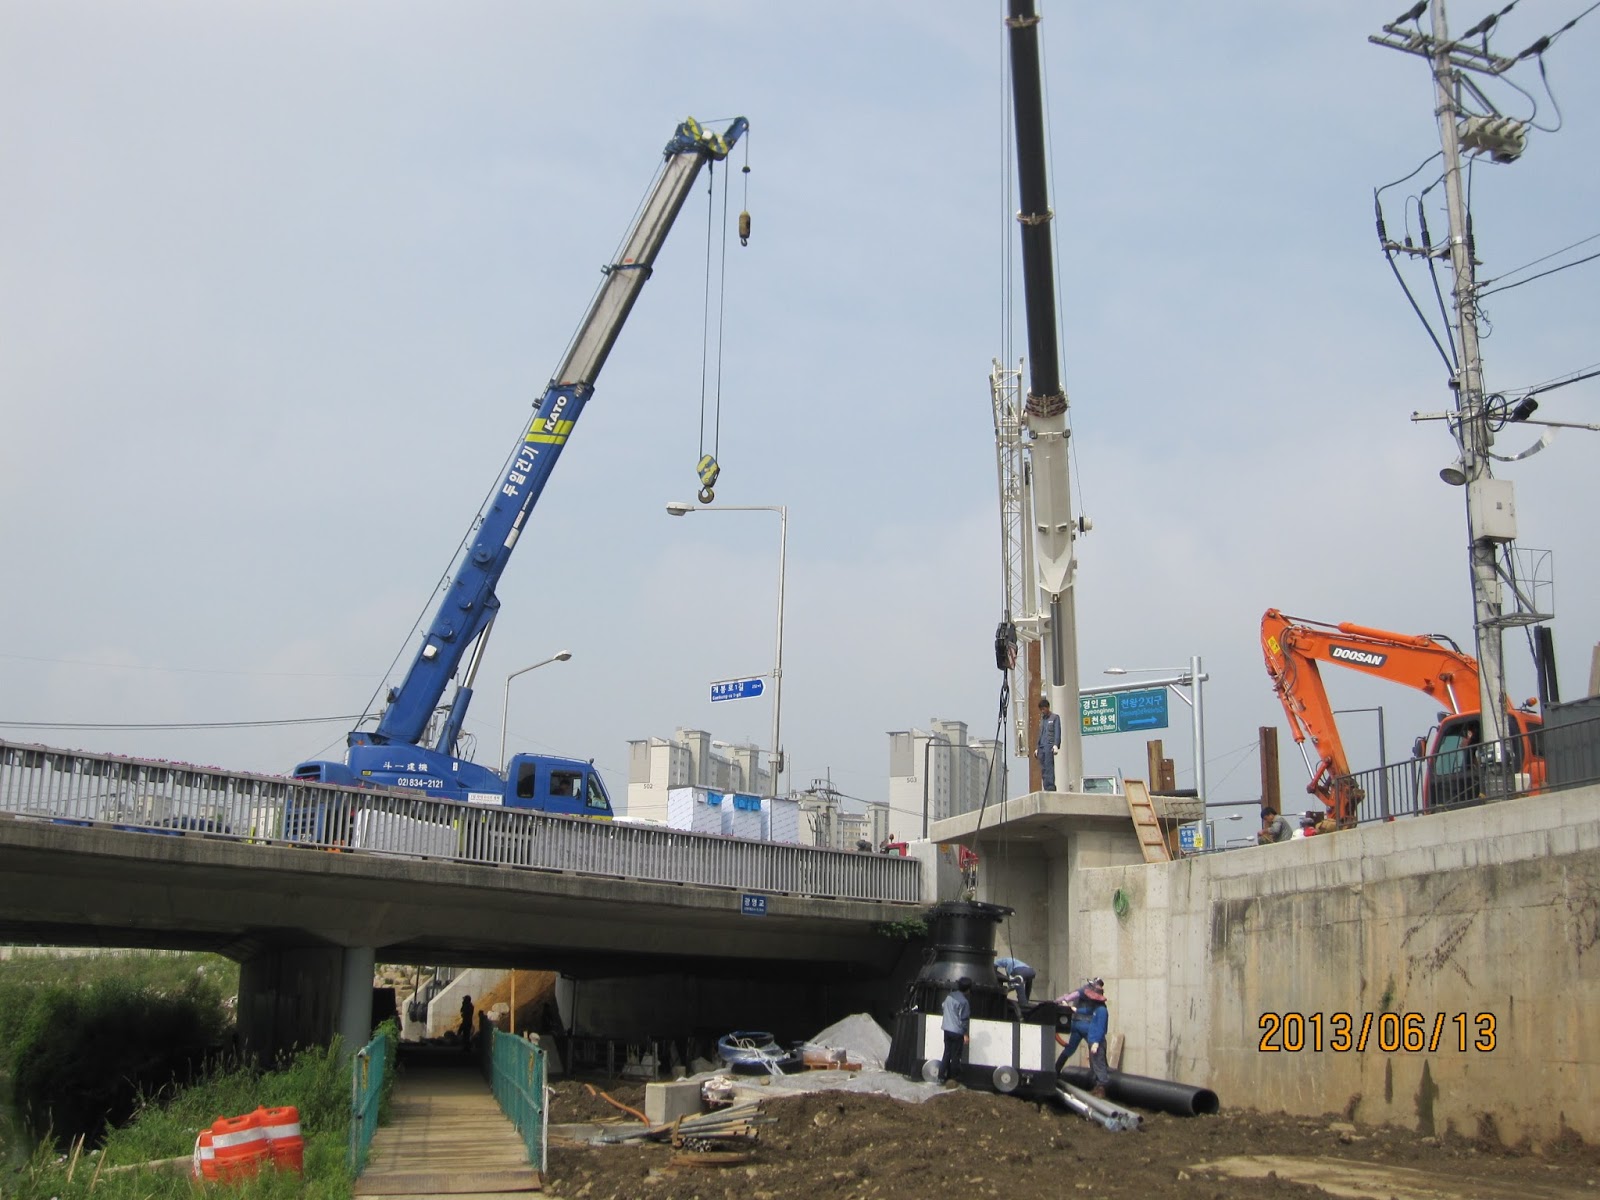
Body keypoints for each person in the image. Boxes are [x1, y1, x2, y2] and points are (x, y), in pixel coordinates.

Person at [1054, 977, 1110, 1095]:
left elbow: (1100, 1028)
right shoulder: (1095, 1007)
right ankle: (1100, 1083)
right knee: (1096, 1058)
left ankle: (1100, 1085)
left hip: (1089, 1033)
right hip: (1088, 1031)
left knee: (1095, 1058)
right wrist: (1075, 1009)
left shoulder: (1100, 1010)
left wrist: (1095, 1042)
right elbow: (1087, 1011)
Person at [939, 977, 972, 1085]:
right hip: (957, 1031)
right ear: (968, 989)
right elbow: (964, 1019)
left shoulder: (949, 996)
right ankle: (953, 1079)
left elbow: (943, 1006)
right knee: (956, 1056)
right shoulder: (964, 1002)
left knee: (946, 1053)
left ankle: (941, 1077)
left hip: (946, 1029)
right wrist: (965, 1034)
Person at [1036, 697, 1061, 791]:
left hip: (1049, 745)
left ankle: (1050, 787)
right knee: (1043, 767)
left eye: (1043, 709)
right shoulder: (1042, 720)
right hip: (1041, 746)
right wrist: (1037, 747)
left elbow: (1057, 731)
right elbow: (1040, 733)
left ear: (1047, 707)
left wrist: (1056, 745)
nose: (1042, 711)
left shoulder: (1055, 717)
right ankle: (1045, 786)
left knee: (1049, 766)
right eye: (1041, 709)